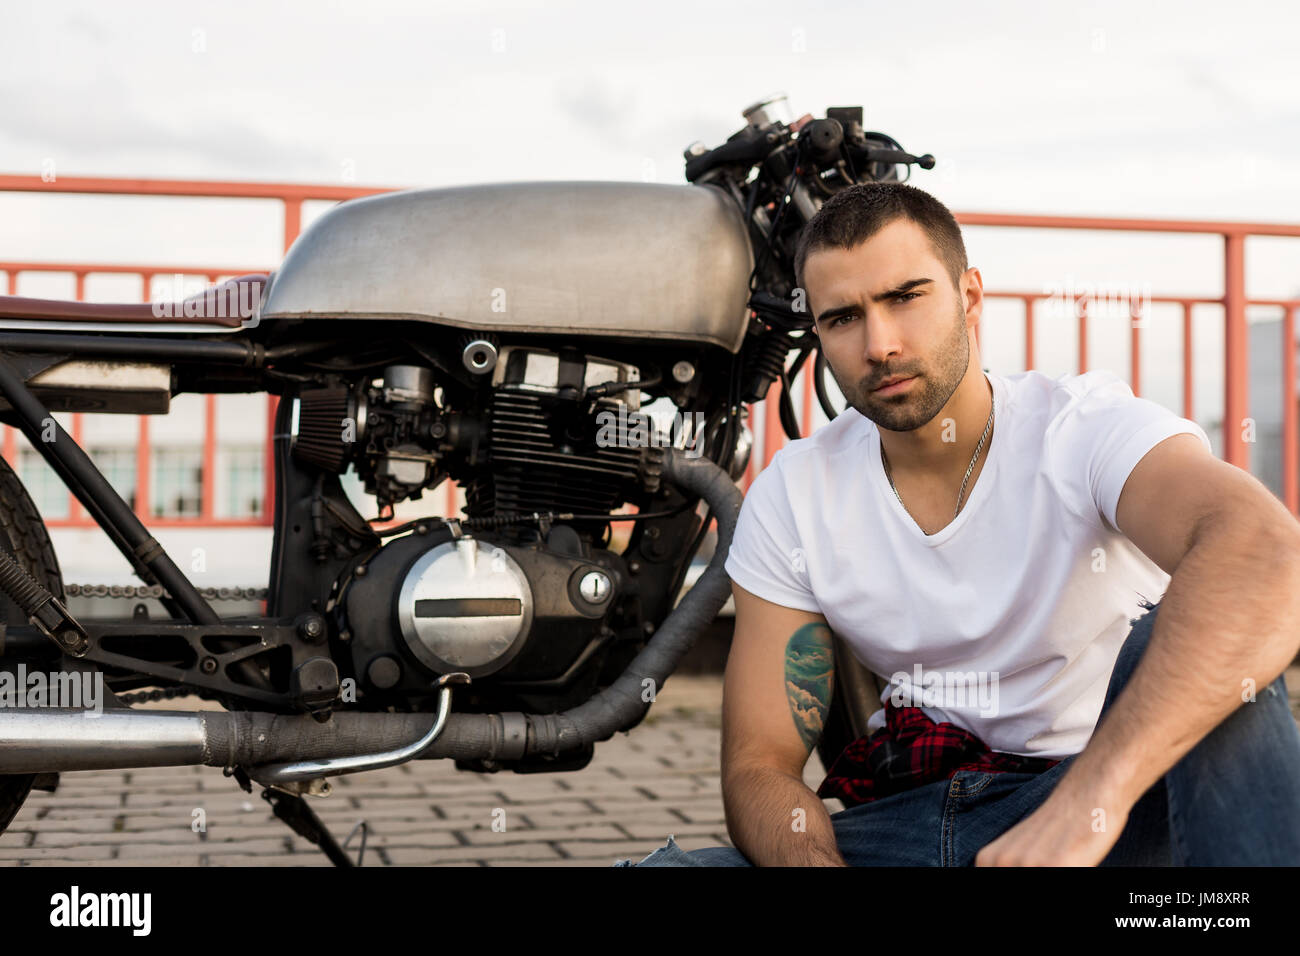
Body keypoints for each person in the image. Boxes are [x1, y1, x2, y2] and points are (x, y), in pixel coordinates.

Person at [614, 181, 1300, 867]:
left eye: (905, 298)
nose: (879, 344)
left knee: (1218, 643)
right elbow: (760, 766)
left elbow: (1265, 552)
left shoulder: (1081, 430)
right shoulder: (796, 492)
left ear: (970, 299)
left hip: (1101, 810)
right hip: (908, 817)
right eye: (844, 318)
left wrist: (1085, 808)